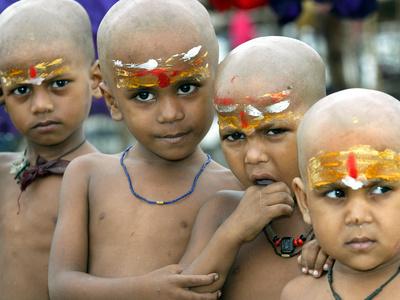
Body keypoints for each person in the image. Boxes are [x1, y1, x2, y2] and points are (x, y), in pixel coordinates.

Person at [48, 0, 242, 299]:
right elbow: (62, 286)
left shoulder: (231, 191)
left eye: (187, 87)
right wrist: (146, 290)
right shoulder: (87, 175)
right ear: (111, 100)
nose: (170, 113)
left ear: (216, 82)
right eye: (143, 94)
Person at [179, 36, 326, 299]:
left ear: (319, 122)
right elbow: (183, 293)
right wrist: (231, 234)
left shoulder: (346, 211)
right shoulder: (221, 213)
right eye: (234, 136)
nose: (253, 156)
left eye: (274, 131)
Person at [0, 0, 101, 299]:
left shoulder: (106, 181)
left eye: (59, 83)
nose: (41, 105)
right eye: (21, 89)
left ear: (96, 80)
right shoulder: (2, 176)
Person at [281, 88, 400, 300]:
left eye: (380, 189)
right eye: (336, 193)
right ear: (305, 202)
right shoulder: (298, 295)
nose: (357, 215)